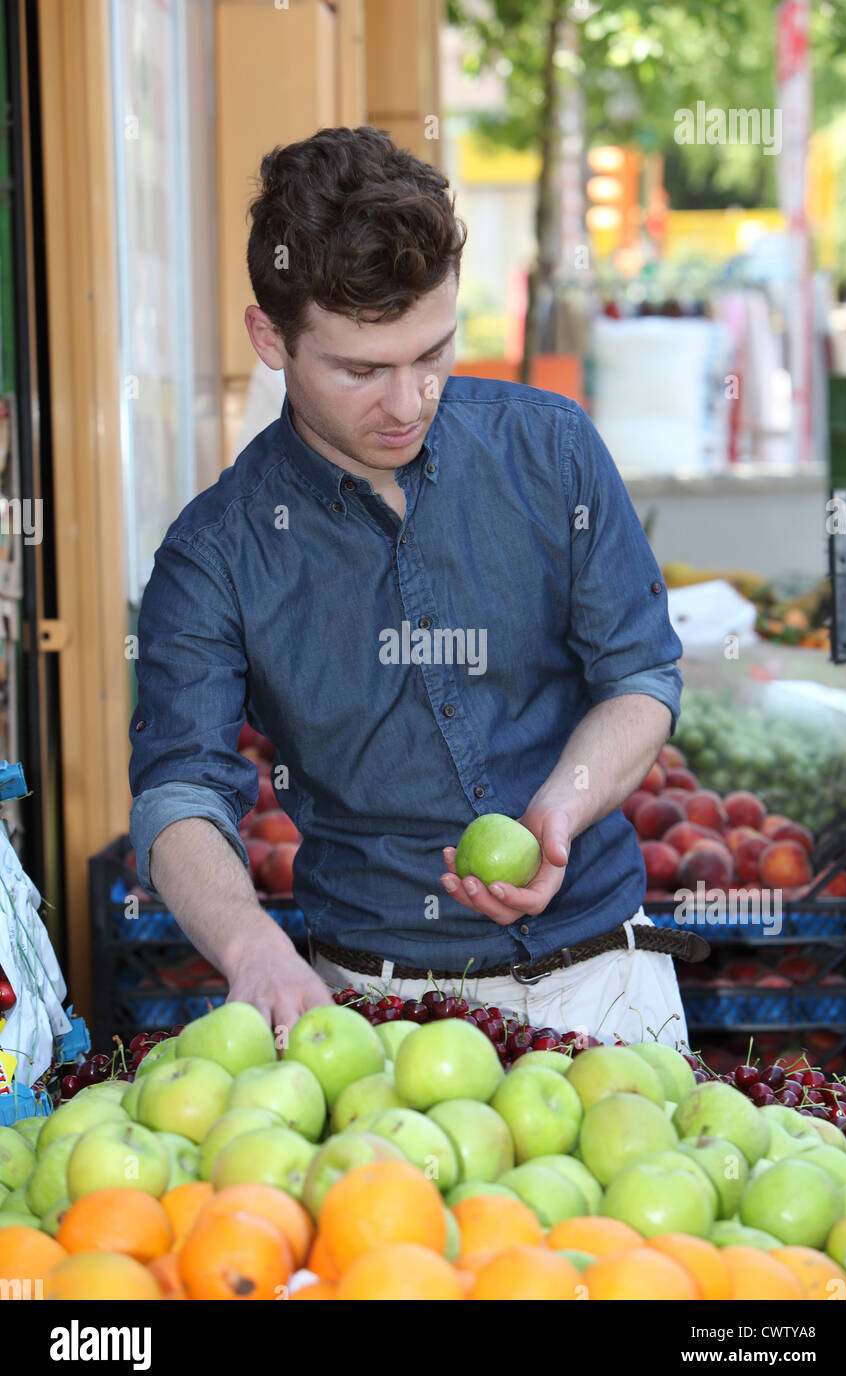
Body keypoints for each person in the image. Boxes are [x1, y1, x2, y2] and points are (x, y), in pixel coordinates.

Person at [129, 126, 692, 1045]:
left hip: (610, 982)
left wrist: (560, 807)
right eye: (362, 369)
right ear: (270, 337)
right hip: (373, 1014)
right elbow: (178, 789)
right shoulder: (214, 553)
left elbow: (639, 678)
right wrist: (250, 945)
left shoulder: (552, 450)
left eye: (433, 353)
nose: (409, 403)